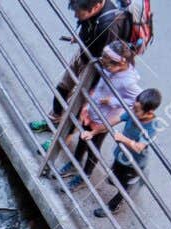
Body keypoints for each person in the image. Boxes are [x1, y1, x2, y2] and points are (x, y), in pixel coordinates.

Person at [30, 0, 133, 137]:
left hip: (94, 66)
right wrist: (80, 38)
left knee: (75, 106)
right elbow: (87, 26)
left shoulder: (109, 26)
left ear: (95, 7)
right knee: (62, 88)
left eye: (78, 12)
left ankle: (60, 138)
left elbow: (107, 60)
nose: (75, 15)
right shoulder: (92, 11)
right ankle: (54, 119)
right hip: (83, 52)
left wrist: (95, 85)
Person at [56, 42, 141, 188]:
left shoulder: (128, 82)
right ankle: (75, 162)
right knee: (83, 138)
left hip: (103, 119)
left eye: (108, 64)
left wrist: (112, 101)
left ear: (119, 64)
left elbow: (136, 101)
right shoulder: (110, 68)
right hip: (91, 109)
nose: (105, 67)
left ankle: (85, 175)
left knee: (93, 147)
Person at [95, 88, 162, 217]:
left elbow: (139, 147)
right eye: (133, 108)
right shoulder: (133, 113)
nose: (133, 111)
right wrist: (94, 131)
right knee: (114, 178)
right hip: (120, 155)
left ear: (150, 112)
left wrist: (123, 139)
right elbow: (115, 120)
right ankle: (136, 180)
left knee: (124, 187)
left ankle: (113, 206)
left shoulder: (152, 127)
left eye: (137, 110)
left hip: (133, 163)